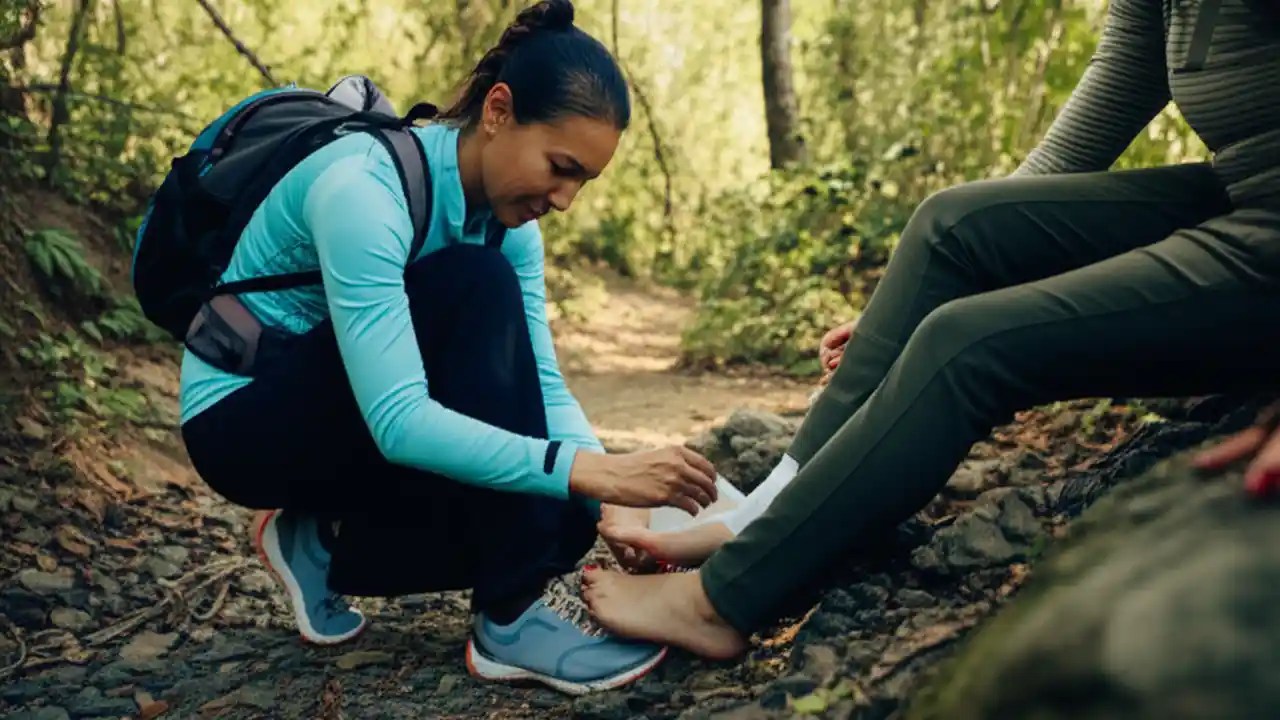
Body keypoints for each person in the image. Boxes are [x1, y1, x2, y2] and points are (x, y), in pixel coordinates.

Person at [585, 0, 1280, 659]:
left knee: (966, 343)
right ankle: (767, 514)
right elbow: (1122, 82)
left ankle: (719, 602)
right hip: (1236, 191)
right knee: (952, 226)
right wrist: (911, 299)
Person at [178, 0, 721, 693]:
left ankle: (323, 544)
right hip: (243, 421)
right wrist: (591, 470)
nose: (565, 200)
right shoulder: (363, 190)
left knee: (562, 518)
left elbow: (541, 386)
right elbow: (399, 422)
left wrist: (611, 501)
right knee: (476, 287)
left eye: (582, 180)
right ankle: (511, 617)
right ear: (498, 111)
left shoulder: (510, 226)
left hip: (343, 416)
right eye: (560, 167)